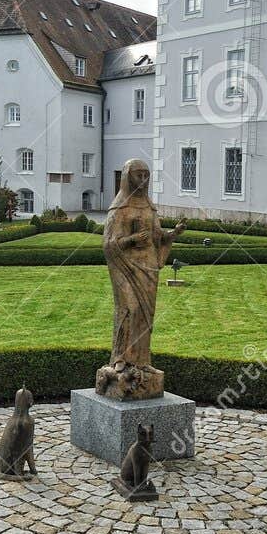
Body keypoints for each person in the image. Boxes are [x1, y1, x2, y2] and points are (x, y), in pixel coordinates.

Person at [97, 159, 184, 399]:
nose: (143, 180)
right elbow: (108, 244)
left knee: (146, 314)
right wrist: (132, 240)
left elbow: (157, 237)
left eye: (146, 175)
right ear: (127, 177)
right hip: (125, 267)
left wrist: (172, 234)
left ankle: (142, 362)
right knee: (129, 309)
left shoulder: (149, 208)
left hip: (147, 266)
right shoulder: (119, 209)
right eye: (138, 175)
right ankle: (121, 360)